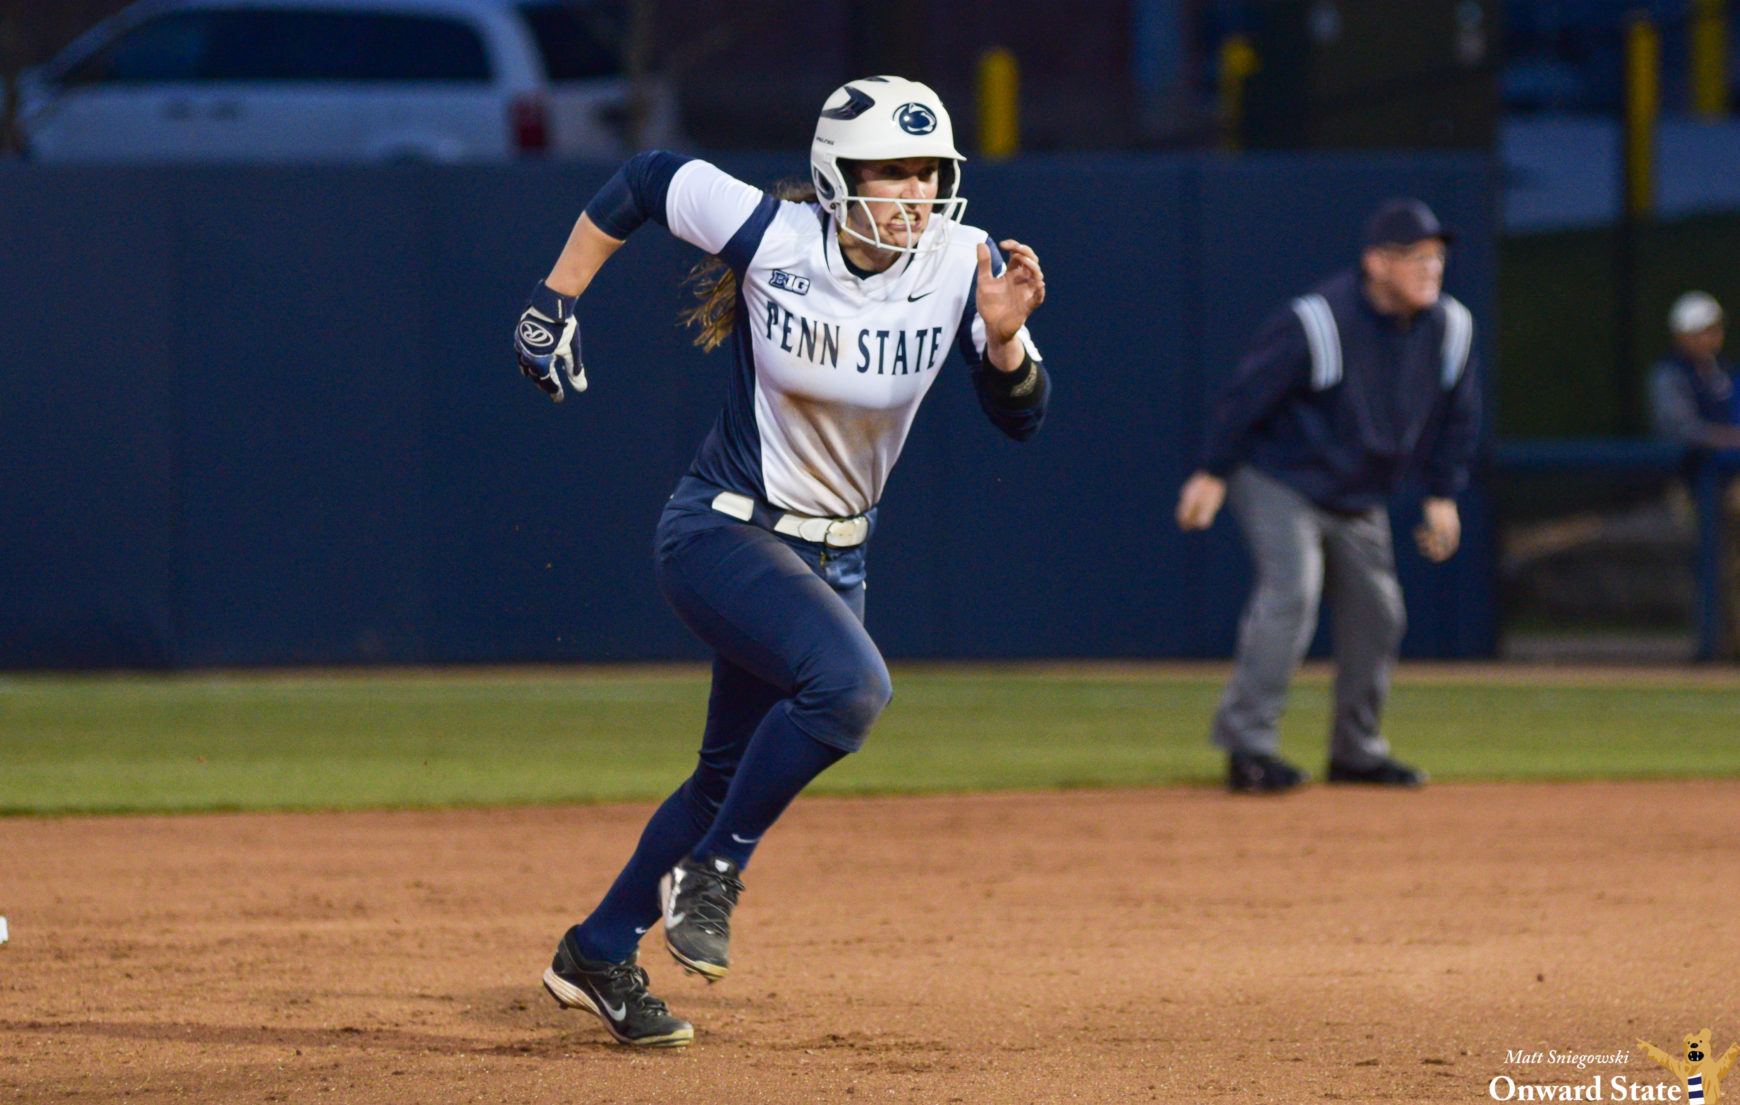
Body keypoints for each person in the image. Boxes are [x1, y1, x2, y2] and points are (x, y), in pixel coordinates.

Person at [511, 76, 1049, 1047]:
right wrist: (555, 300)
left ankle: (596, 946)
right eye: (892, 170)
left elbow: (1021, 417)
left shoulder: (964, 260)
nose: (916, 191)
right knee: (850, 688)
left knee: (723, 776)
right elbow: (646, 178)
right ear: (838, 177)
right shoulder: (774, 235)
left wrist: (1006, 345)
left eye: (929, 170)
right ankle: (711, 874)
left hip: (838, 559)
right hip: (723, 530)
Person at [1175, 198, 1479, 795]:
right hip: (1278, 478)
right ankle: (1249, 748)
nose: (1431, 269)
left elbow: (1458, 418)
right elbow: (1245, 397)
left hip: (1357, 492)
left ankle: (1356, 752)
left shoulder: (1452, 326)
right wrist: (1211, 472)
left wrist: (1442, 494)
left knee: (1380, 613)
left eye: (1437, 257)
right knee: (1293, 593)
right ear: (1376, 263)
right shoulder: (1318, 319)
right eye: (1415, 257)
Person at [1648, 292, 1740, 452]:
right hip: (1686, 466)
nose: (1712, 338)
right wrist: (1728, 437)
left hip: (1726, 464)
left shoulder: (1725, 370)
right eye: (1704, 332)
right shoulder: (1669, 374)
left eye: (1715, 330)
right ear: (1682, 336)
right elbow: (1679, 430)